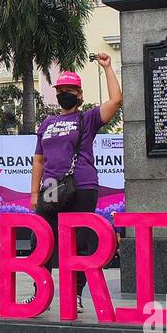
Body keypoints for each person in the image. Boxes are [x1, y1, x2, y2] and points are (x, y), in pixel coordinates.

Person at [30, 55, 124, 310]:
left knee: (79, 242)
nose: (64, 94)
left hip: (82, 185)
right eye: (60, 90)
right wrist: (34, 195)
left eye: (69, 90)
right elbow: (38, 161)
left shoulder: (88, 118)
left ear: (79, 95)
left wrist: (107, 67)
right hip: (50, 188)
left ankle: (76, 295)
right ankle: (41, 294)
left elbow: (116, 100)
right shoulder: (47, 123)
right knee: (41, 239)